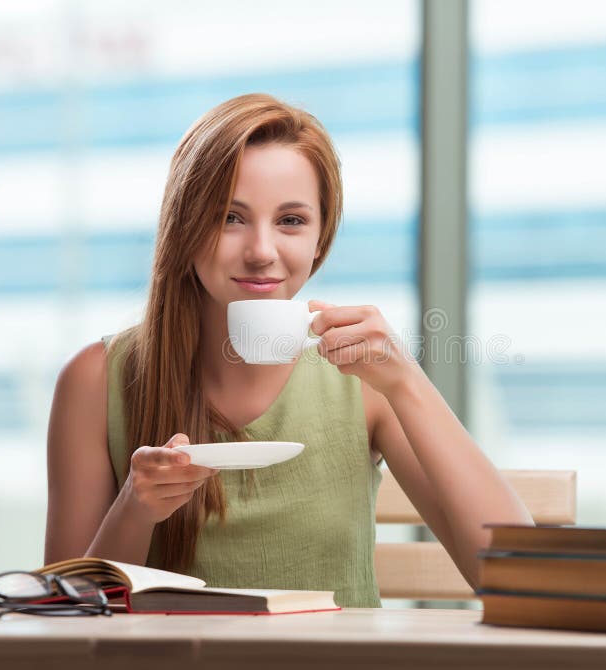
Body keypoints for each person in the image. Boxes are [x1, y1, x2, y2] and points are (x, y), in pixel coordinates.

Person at [44, 93, 533, 608]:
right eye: (230, 217)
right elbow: (59, 621)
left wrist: (407, 382)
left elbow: (516, 576)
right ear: (185, 228)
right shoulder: (96, 380)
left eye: (291, 221)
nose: (261, 251)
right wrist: (135, 509)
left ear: (321, 239)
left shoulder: (365, 379)